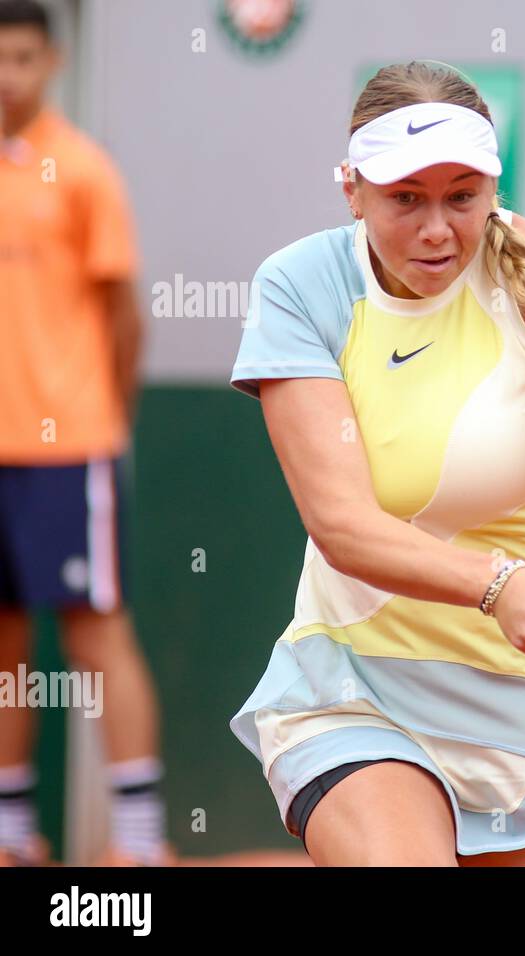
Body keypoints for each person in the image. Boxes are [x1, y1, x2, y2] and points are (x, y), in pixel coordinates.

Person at [228, 60, 525, 867]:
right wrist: (501, 586)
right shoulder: (300, 286)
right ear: (353, 190)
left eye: (462, 196)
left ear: (492, 188)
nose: (437, 229)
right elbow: (341, 525)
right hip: (359, 686)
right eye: (405, 198)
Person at [0, 0, 171, 866]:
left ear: (52, 63)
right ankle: (10, 835)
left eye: (23, 58)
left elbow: (123, 317)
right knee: (3, 643)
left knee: (96, 632)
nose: (6, 77)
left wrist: (106, 419)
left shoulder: (85, 170)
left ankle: (139, 842)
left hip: (68, 448)